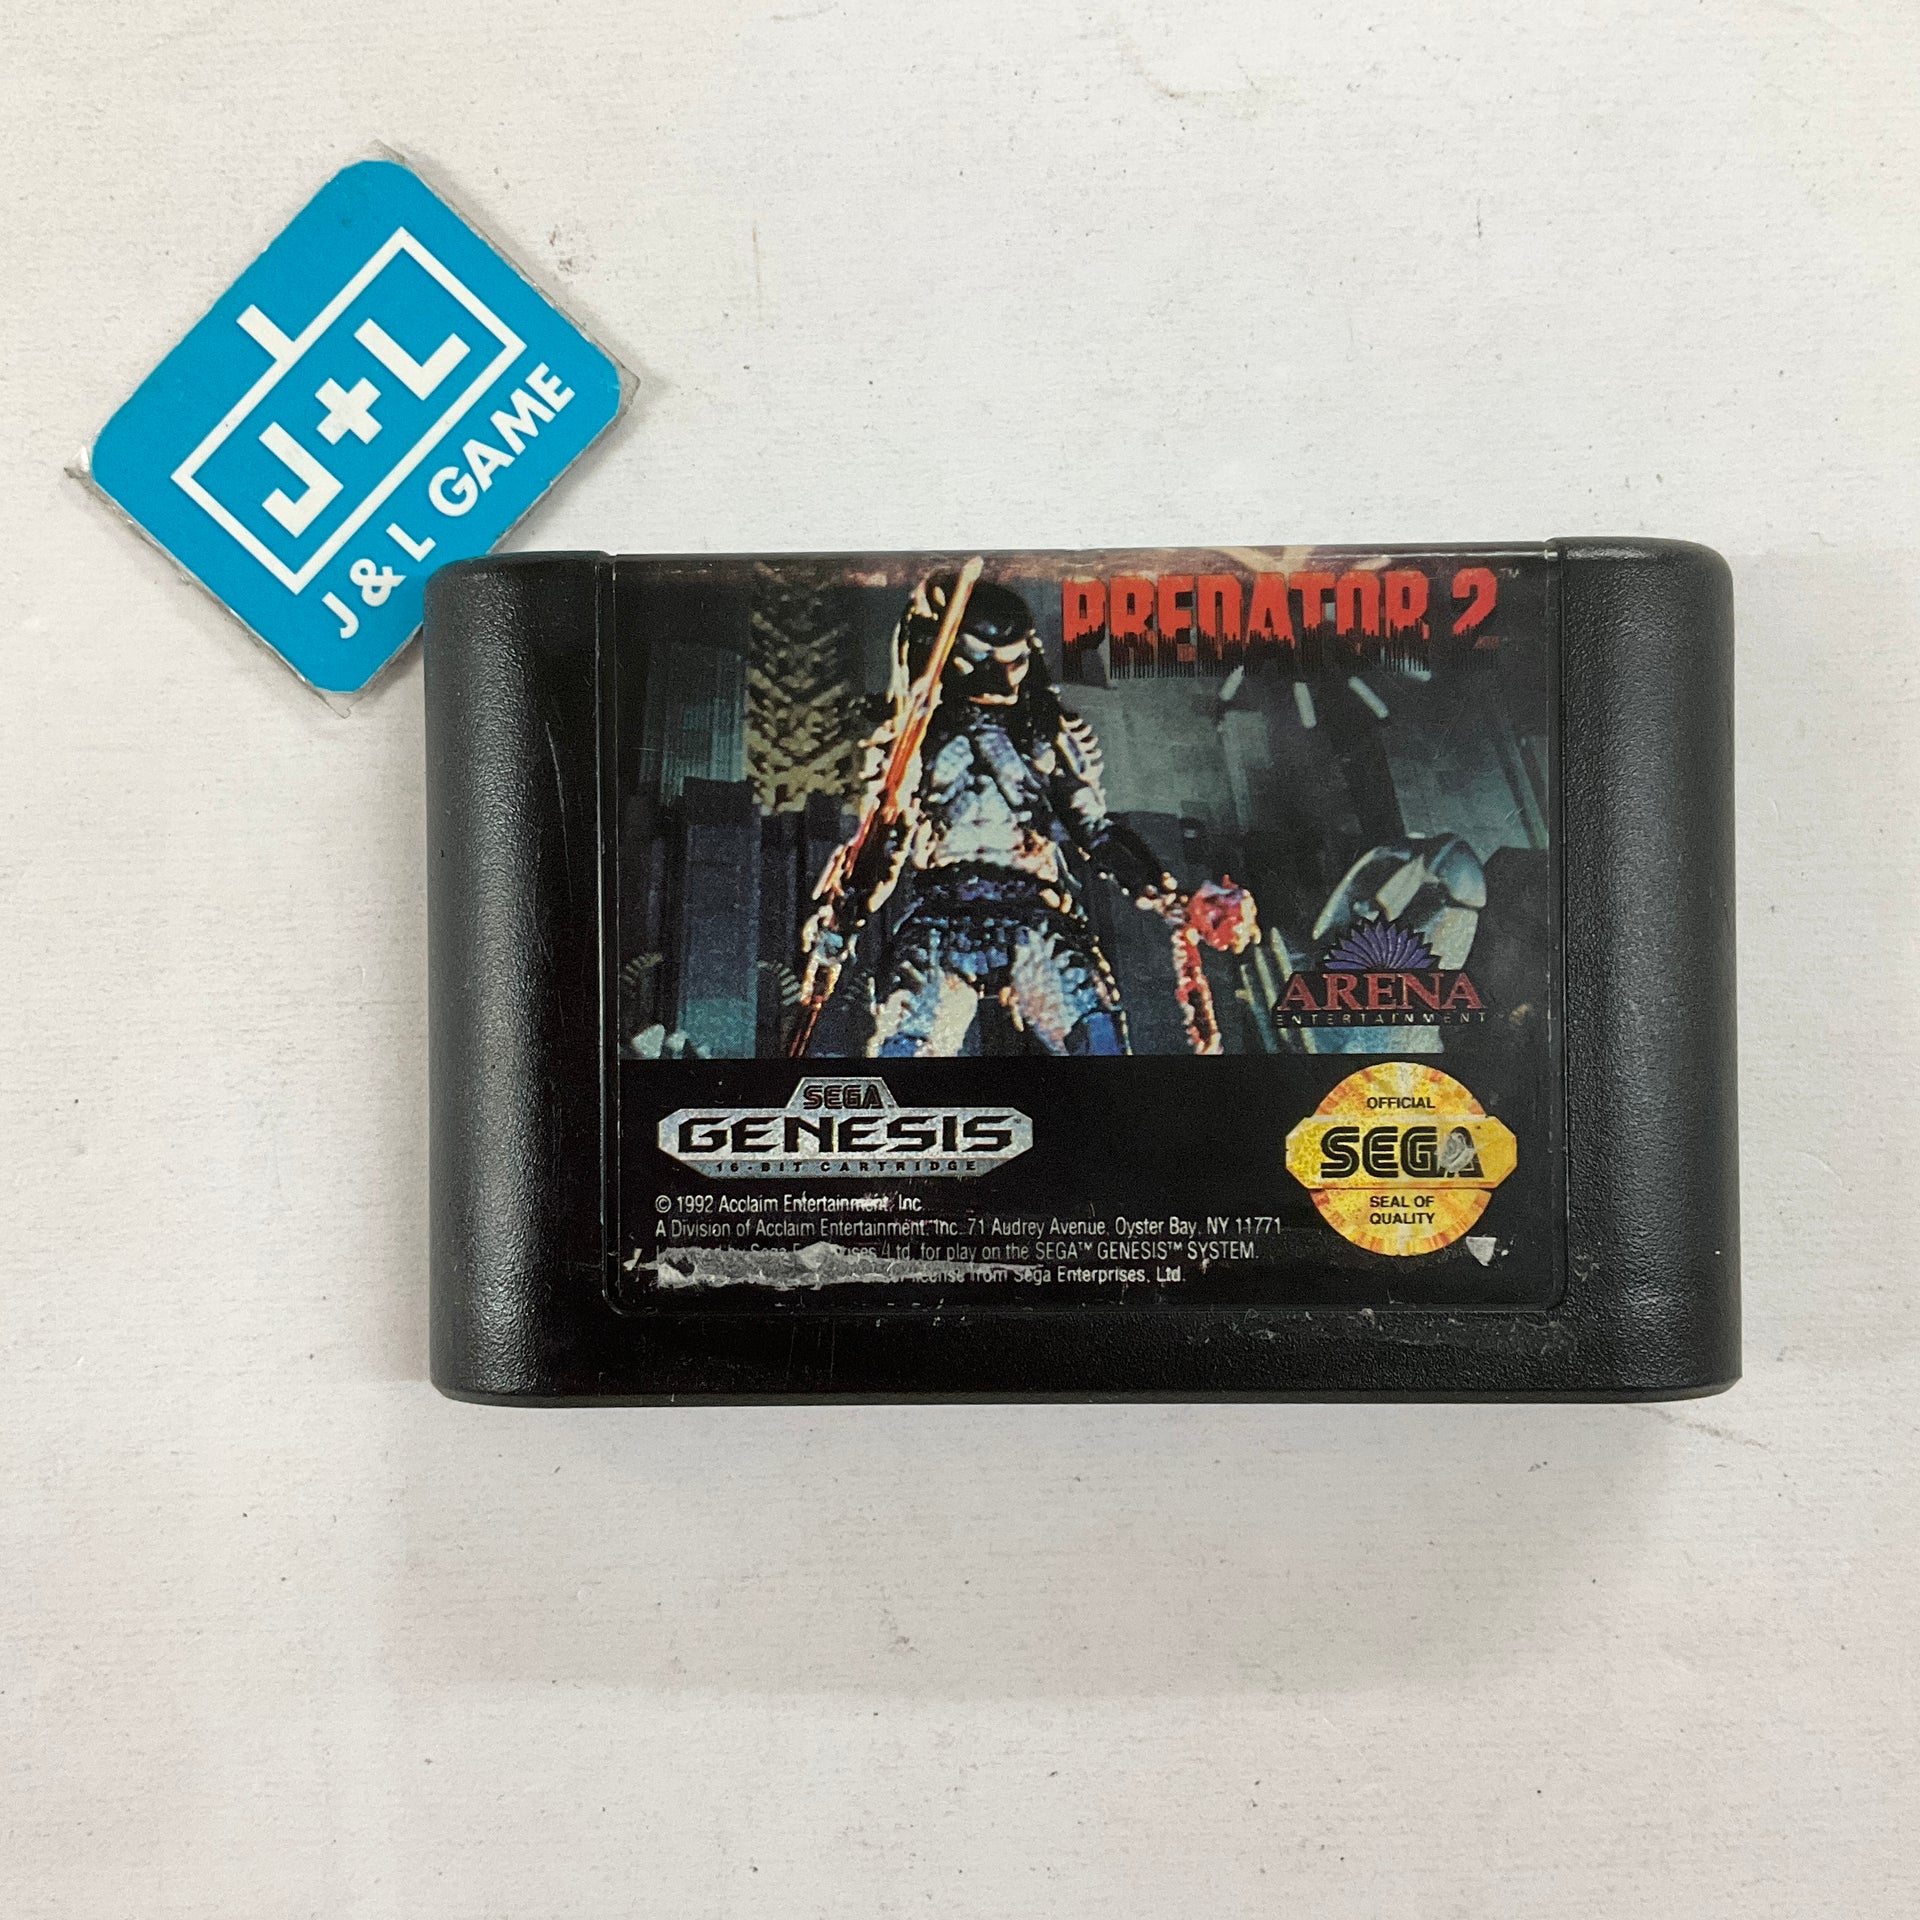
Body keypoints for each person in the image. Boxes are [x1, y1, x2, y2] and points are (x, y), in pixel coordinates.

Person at [802, 571, 1181, 1056]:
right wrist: (837, 930)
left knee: (1097, 1040)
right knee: (907, 1049)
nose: (1003, 678)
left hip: (1032, 915)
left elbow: (1095, 831)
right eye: (983, 660)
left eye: (1015, 661)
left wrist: (1158, 888)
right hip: (941, 916)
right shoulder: (911, 741)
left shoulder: (1047, 733)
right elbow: (881, 845)